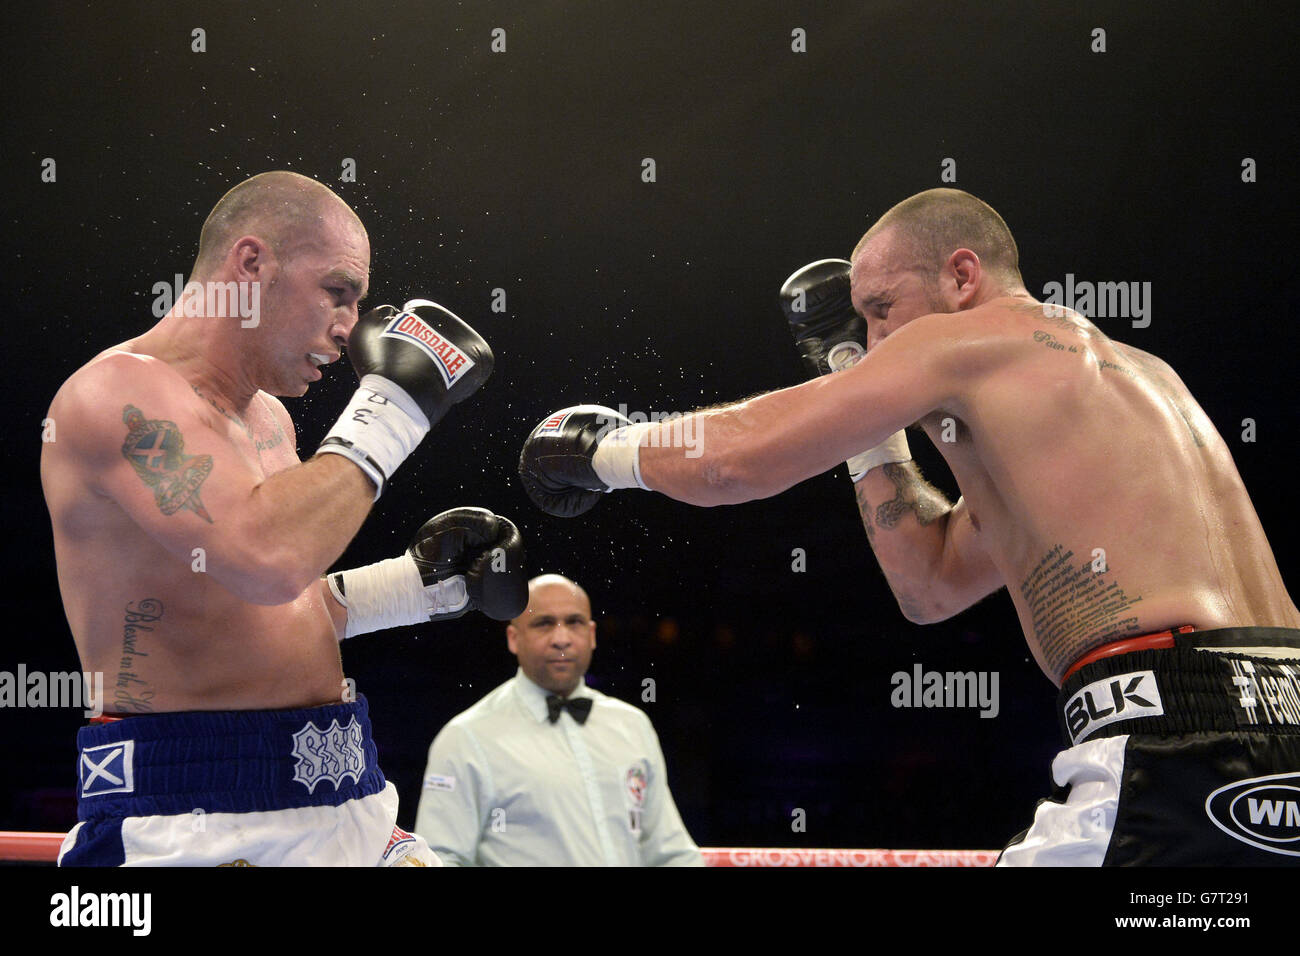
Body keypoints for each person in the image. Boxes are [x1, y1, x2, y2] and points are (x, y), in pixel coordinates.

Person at [518, 188, 1300, 865]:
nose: (878, 346)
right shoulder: (1133, 387)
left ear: (963, 276)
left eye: (882, 311)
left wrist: (604, 452)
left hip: (1175, 743)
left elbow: (738, 461)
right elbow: (930, 587)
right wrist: (857, 395)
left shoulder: (970, 338)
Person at [40, 170, 528, 866]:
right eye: (338, 292)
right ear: (251, 263)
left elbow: (270, 605)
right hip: (196, 811)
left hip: (346, 786)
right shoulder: (117, 394)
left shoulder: (268, 419)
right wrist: (393, 408)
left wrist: (418, 587)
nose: (350, 327)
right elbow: (263, 560)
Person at [414, 574, 703, 866]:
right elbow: (442, 858)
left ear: (592, 635)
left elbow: (671, 853)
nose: (561, 639)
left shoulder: (632, 725)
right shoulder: (466, 737)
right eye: (544, 623)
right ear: (514, 638)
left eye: (574, 622)